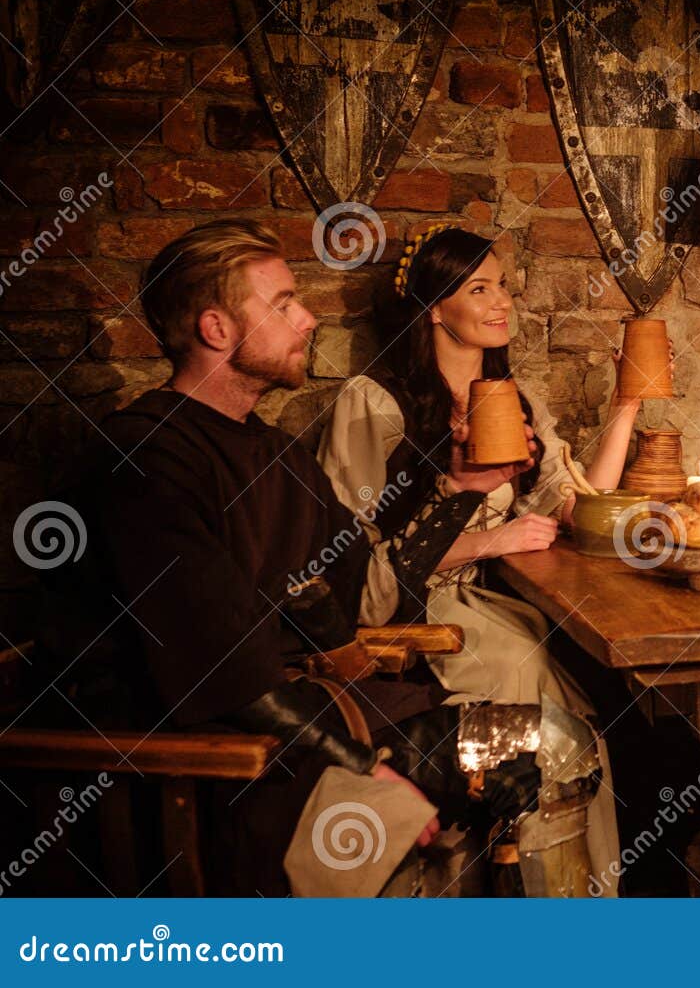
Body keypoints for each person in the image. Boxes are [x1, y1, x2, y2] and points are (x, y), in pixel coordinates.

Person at [44, 218, 591, 896]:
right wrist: (366, 767)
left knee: (560, 748)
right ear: (216, 329)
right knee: (420, 816)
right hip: (226, 772)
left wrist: (458, 488)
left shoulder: (274, 455)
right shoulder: (150, 462)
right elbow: (228, 675)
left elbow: (369, 593)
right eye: (282, 304)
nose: (307, 319)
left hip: (319, 724)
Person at [316, 224, 629, 886]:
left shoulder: (515, 401)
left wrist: (627, 403)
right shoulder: (375, 406)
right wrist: (493, 539)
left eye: (503, 287)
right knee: (528, 666)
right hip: (421, 610)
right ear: (434, 307)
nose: (502, 302)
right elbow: (358, 560)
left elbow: (575, 501)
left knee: (596, 682)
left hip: (497, 597)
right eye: (478, 287)